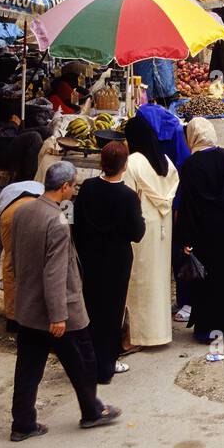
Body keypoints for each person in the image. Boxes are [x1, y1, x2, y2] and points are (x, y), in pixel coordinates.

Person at [10, 162, 120, 440]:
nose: (74, 190)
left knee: (28, 368)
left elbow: (16, 257)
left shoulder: (23, 212)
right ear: (65, 187)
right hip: (60, 310)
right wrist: (57, 315)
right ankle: (92, 411)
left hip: (29, 307)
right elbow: (55, 270)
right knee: (83, 360)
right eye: (73, 185)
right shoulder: (56, 222)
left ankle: (22, 423)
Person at [72, 141, 145, 383]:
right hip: (117, 260)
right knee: (112, 311)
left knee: (91, 307)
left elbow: (78, 224)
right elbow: (137, 232)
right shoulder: (128, 197)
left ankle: (88, 360)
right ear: (124, 166)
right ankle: (106, 364)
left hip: (91, 256)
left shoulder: (88, 188)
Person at [178, 118, 224, 341]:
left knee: (208, 281)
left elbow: (188, 205)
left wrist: (186, 238)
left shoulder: (191, 165)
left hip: (205, 234)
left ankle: (207, 329)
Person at [122, 116, 179, 348]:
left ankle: (138, 335)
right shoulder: (164, 160)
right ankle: (159, 331)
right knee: (159, 277)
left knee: (139, 280)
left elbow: (126, 197)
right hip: (163, 224)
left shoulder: (133, 162)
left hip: (142, 224)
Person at [0, 179, 43, 329]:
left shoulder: (2, 199)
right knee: (39, 261)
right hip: (39, 209)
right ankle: (37, 312)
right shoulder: (46, 189)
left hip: (11, 211)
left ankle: (13, 317)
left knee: (11, 261)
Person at [0, 90, 43, 183]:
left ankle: (41, 172)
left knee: (45, 131)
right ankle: (24, 183)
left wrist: (10, 124)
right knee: (34, 138)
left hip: (3, 137)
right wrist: (13, 125)